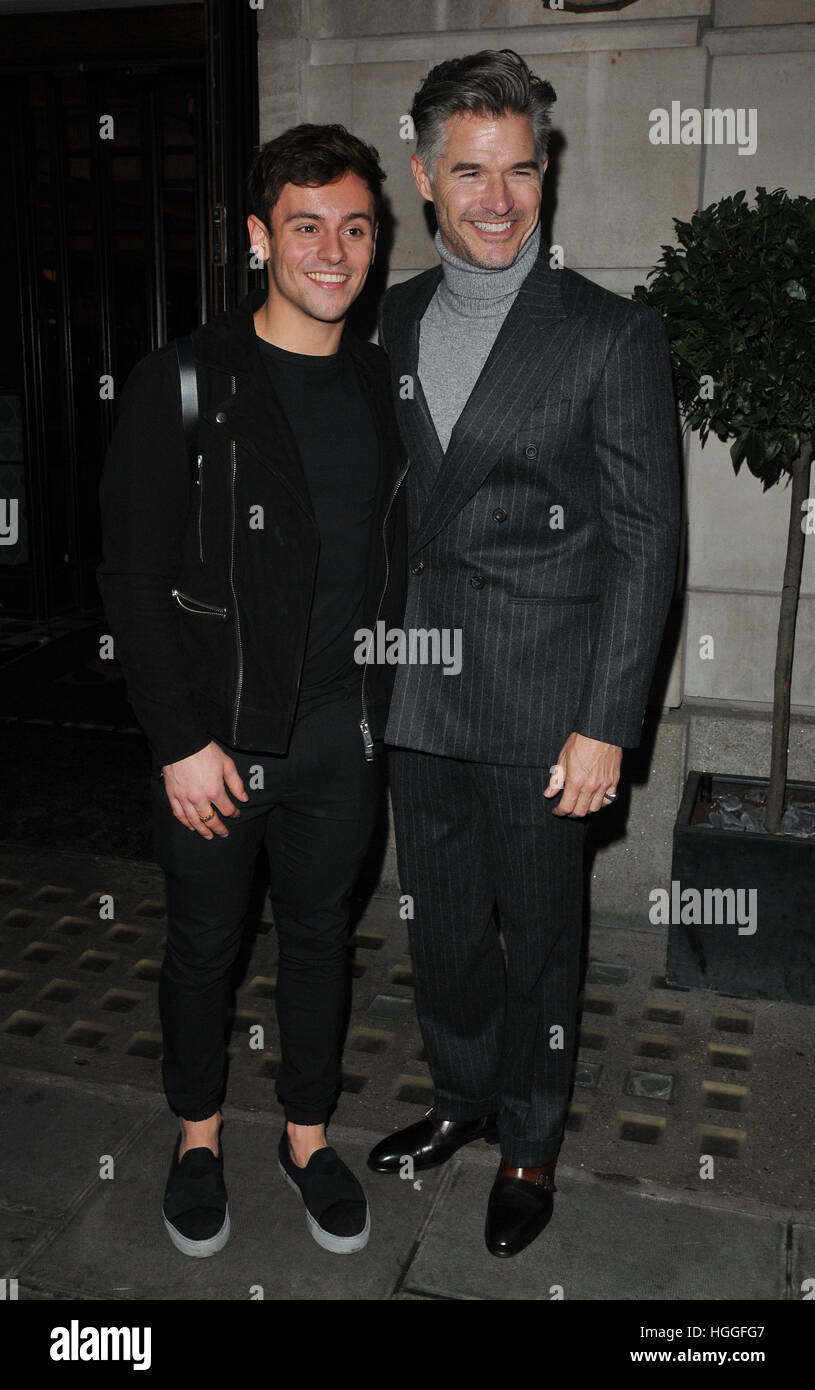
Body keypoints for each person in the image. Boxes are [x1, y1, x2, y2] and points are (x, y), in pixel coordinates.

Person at [367, 50, 681, 1258]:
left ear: (542, 172)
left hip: (546, 712)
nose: (497, 200)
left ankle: (531, 1141)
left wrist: (606, 722)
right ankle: (459, 1097)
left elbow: (648, 542)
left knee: (541, 943)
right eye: (469, 173)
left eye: (520, 171)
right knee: (440, 931)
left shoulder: (608, 332)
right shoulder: (389, 317)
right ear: (424, 180)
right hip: (415, 698)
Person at [97, 123, 406, 1257]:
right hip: (217, 739)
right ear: (257, 239)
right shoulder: (186, 378)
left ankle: (307, 1135)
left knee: (323, 938)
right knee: (204, 944)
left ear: (376, 241)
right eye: (307, 226)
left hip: (340, 729)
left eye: (355, 227)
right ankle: (195, 1137)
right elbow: (130, 575)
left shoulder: (378, 380)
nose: (332, 251)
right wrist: (178, 740)